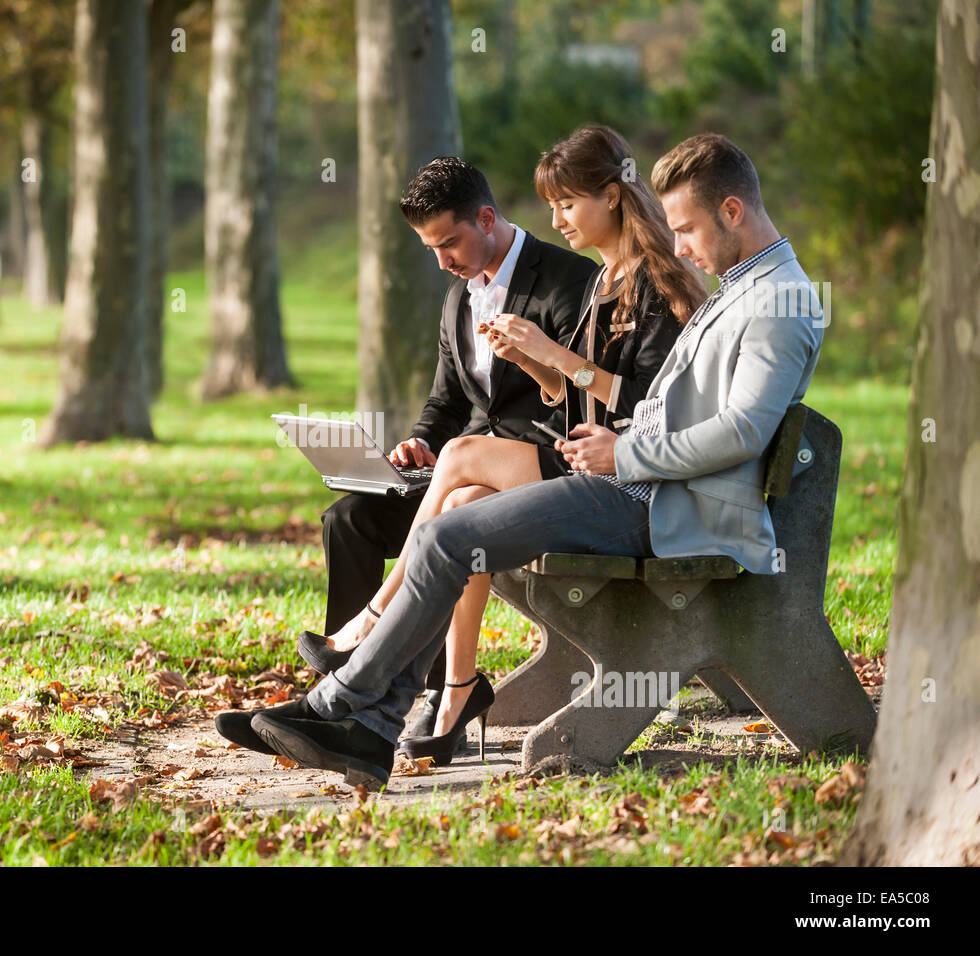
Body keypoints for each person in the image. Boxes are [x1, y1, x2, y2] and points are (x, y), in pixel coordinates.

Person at [229, 133, 826, 789]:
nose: (678, 244)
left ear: (732, 211)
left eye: (686, 228)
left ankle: (347, 713)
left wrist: (623, 450)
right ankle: (359, 721)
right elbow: (676, 408)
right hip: (643, 487)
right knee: (444, 532)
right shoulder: (744, 288)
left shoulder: (777, 301)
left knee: (448, 536)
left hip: (667, 506)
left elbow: (740, 433)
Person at [292, 126, 704, 766]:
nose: (558, 219)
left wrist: (547, 355)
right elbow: (492, 399)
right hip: (555, 466)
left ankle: (372, 627)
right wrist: (535, 372)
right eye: (553, 207)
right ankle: (445, 693)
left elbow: (645, 407)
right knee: (420, 506)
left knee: (462, 460)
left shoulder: (613, 282)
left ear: (612, 197)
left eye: (568, 204)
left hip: (604, 477)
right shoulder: (590, 283)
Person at [216, 157, 597, 754]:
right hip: (462, 465)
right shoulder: (457, 299)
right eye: (430, 249)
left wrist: (491, 437)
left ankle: (370, 672)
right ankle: (339, 691)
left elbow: (578, 402)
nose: (443, 260)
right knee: (351, 518)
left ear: (488, 218)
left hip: (536, 472)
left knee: (456, 514)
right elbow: (448, 403)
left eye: (450, 242)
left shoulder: (567, 280)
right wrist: (419, 440)